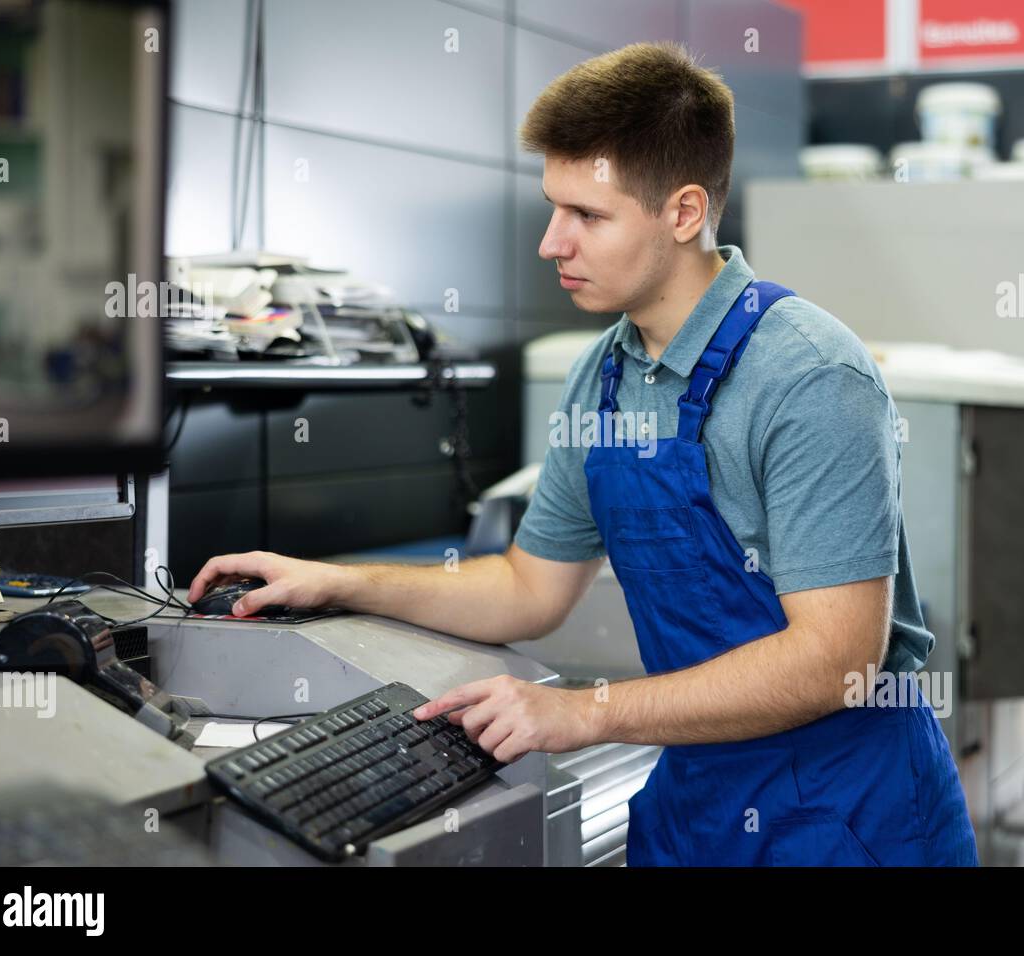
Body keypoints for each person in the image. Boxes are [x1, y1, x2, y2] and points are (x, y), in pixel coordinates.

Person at [189, 42, 978, 867]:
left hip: (850, 812)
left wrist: (583, 713)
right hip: (701, 802)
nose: (551, 243)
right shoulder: (604, 374)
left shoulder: (810, 374)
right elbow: (530, 587)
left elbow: (834, 661)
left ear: (682, 212)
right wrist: (337, 582)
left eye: (587, 217)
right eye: (552, 207)